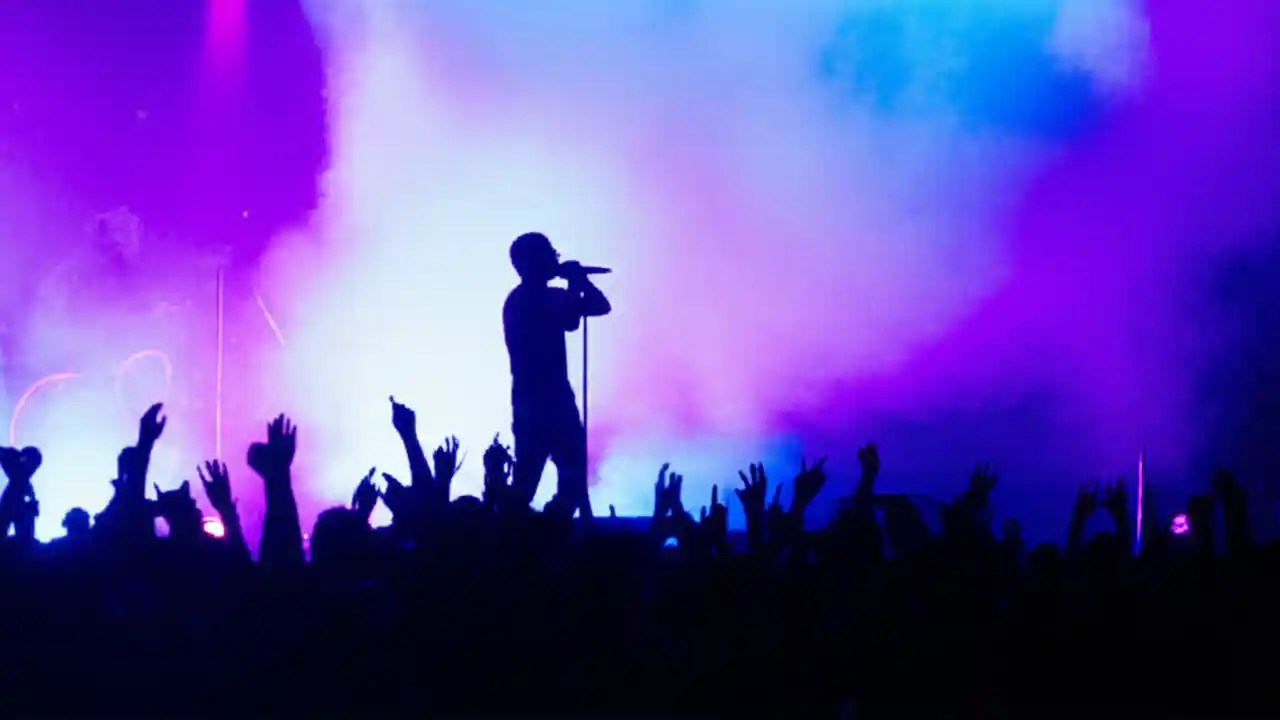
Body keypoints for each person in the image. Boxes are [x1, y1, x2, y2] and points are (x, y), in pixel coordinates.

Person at [502, 232, 611, 518]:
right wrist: (574, 284)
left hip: (557, 399)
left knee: (573, 478)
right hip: (534, 403)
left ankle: (551, 533)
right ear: (529, 262)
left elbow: (601, 306)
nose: (555, 258)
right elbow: (571, 321)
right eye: (548, 253)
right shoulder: (523, 300)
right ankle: (513, 538)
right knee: (526, 482)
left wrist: (581, 282)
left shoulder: (551, 295)